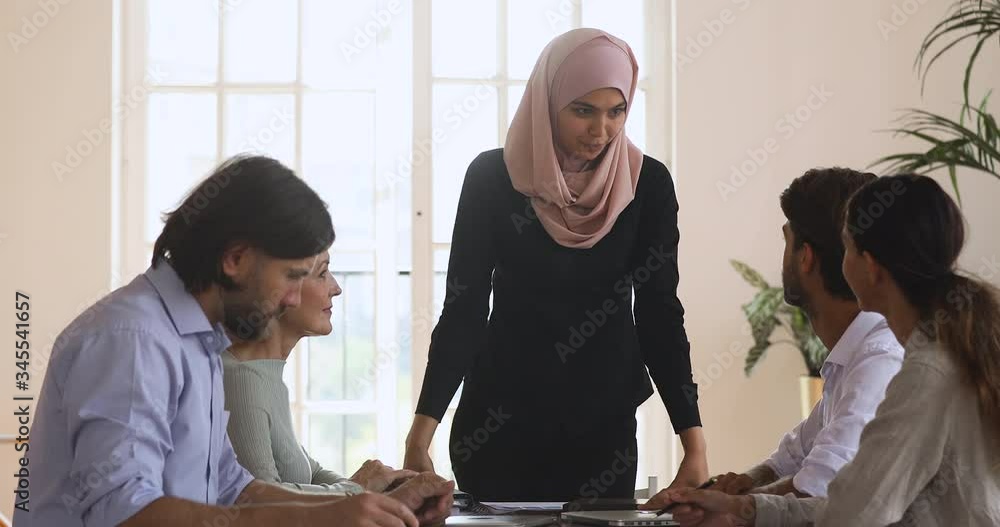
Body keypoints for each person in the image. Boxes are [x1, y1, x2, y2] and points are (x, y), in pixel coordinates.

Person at [16, 155, 453, 527]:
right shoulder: (133, 339)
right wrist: (322, 518)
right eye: (291, 277)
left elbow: (231, 488)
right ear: (235, 259)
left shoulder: (198, 339)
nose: (293, 299)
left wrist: (367, 508)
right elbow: (124, 511)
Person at [403, 28, 707, 500]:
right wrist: (420, 436)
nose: (600, 130)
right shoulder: (491, 179)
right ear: (548, 101)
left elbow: (659, 314)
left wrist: (694, 444)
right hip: (498, 424)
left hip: (602, 431)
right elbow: (463, 311)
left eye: (616, 111)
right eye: (582, 110)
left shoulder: (648, 185)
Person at [641, 174, 1000, 526]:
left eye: (849, 247)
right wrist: (740, 507)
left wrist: (740, 510)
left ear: (870, 267)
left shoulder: (920, 370)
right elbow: (834, 499)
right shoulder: (931, 354)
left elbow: (851, 515)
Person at [703, 168, 903, 500]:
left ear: (806, 257)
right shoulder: (853, 354)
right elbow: (792, 457)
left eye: (787, 240)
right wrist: (744, 483)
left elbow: (820, 487)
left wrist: (729, 508)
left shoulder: (880, 357)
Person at [224, 250, 418, 494]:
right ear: (283, 286)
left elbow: (309, 472)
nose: (336, 288)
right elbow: (265, 501)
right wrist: (356, 489)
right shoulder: (242, 379)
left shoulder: (265, 375)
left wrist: (384, 488)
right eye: (323, 273)